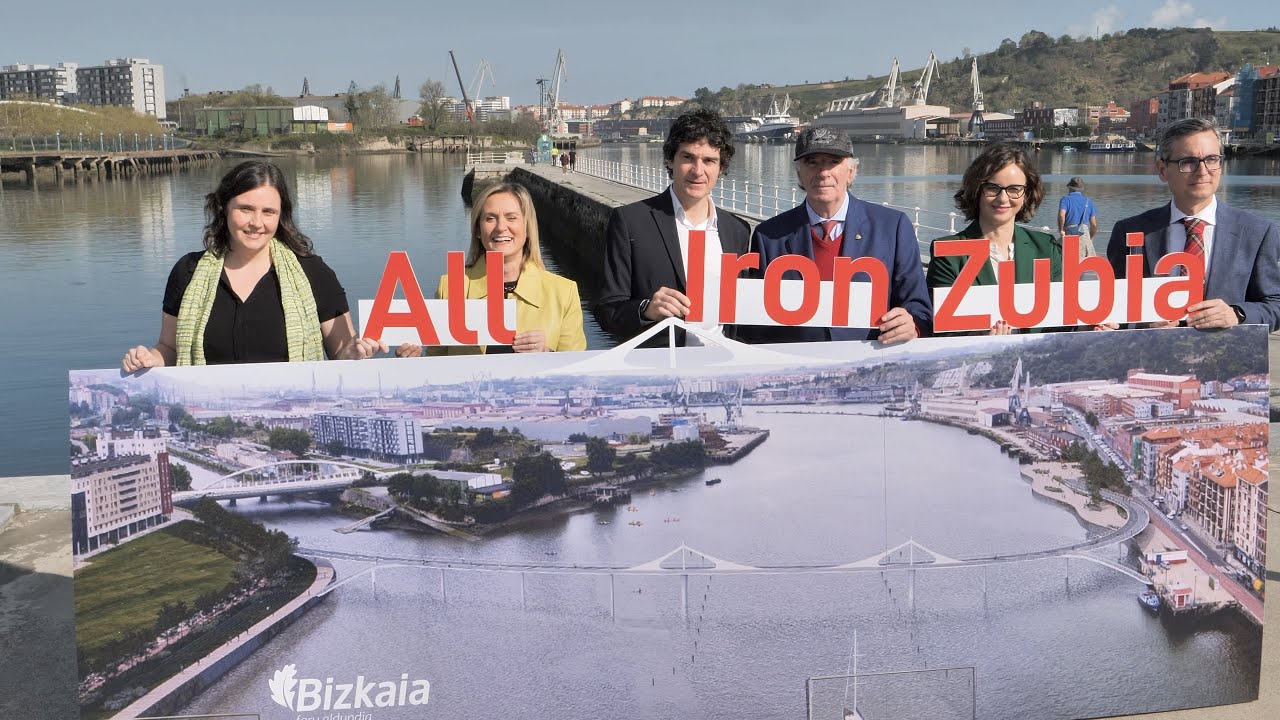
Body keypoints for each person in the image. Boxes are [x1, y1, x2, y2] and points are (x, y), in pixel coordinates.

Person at [122, 161, 384, 371]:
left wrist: (356, 352)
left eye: (268, 212)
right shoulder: (187, 271)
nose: (256, 222)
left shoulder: (313, 272)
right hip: (209, 422)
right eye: (246, 209)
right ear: (224, 208)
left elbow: (340, 352)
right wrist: (149, 358)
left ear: (281, 215)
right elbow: (169, 348)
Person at [746, 126, 931, 344]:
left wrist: (913, 326)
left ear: (851, 171)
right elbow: (756, 325)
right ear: (799, 173)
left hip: (871, 363)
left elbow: (919, 308)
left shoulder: (893, 227)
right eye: (812, 162)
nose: (823, 172)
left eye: (833, 162)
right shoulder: (769, 236)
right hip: (797, 366)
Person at [1106, 117, 1280, 331]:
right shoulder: (1130, 231)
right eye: (1188, 162)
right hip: (1153, 358)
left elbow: (1275, 304)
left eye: (1212, 159)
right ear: (1162, 170)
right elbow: (1113, 307)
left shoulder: (1257, 232)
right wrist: (1143, 324)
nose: (1203, 170)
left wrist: (1238, 314)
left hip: (1227, 360)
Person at [595, 108, 751, 346]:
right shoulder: (630, 222)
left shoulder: (737, 230)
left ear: (722, 168)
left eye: (709, 160)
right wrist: (647, 309)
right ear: (670, 159)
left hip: (721, 369)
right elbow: (607, 310)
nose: (698, 171)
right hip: (659, 372)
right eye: (688, 157)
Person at [396, 182, 586, 356]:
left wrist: (547, 353)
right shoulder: (451, 286)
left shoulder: (563, 293)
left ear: (527, 228)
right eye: (490, 218)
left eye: (511, 218)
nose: (501, 227)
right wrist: (412, 358)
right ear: (478, 230)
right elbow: (435, 365)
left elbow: (579, 372)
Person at [927, 142, 1064, 335]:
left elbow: (1060, 321)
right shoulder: (949, 253)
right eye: (992, 188)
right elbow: (942, 331)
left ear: (1027, 194)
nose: (1003, 198)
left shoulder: (1047, 248)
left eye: (1015, 189)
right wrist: (984, 343)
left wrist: (1088, 327)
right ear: (976, 191)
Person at [1058, 176, 1098, 259]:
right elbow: (1094, 225)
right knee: (1086, 264)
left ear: (1069, 187)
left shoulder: (1065, 199)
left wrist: (1061, 230)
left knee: (1066, 260)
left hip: (1069, 234)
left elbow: (1062, 215)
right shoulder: (1088, 201)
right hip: (1084, 234)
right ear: (1081, 189)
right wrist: (1091, 237)